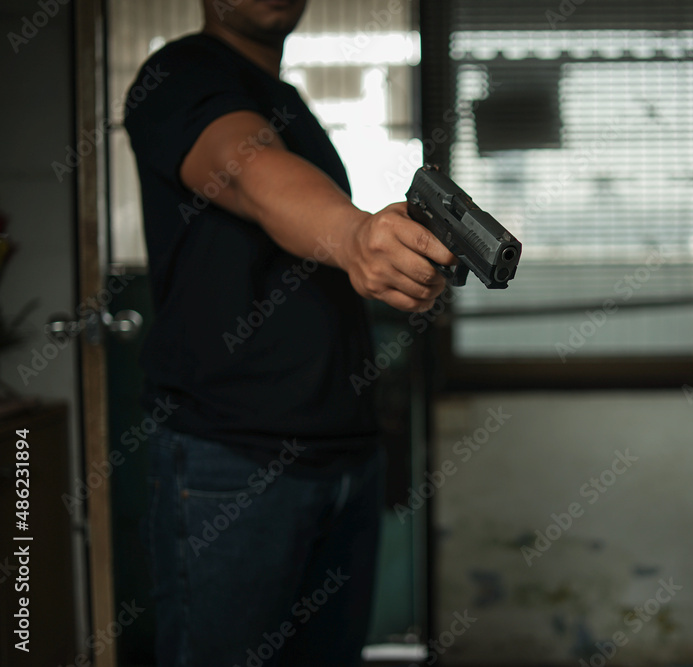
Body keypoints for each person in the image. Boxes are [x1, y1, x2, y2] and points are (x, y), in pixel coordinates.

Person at [123, 0, 455, 664]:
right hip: (234, 461)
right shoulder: (182, 74)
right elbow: (248, 172)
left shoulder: (289, 101)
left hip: (341, 459)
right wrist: (357, 232)